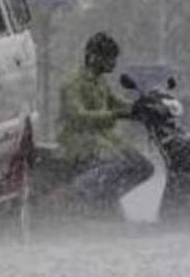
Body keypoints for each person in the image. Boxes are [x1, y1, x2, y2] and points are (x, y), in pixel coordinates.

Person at [55, 32, 154, 211]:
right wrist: (113, 114)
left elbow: (114, 100)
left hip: (102, 138)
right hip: (80, 142)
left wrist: (140, 107)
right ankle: (72, 193)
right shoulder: (73, 82)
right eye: (109, 58)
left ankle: (105, 198)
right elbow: (79, 116)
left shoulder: (100, 80)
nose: (113, 63)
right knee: (119, 163)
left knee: (143, 166)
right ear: (94, 57)